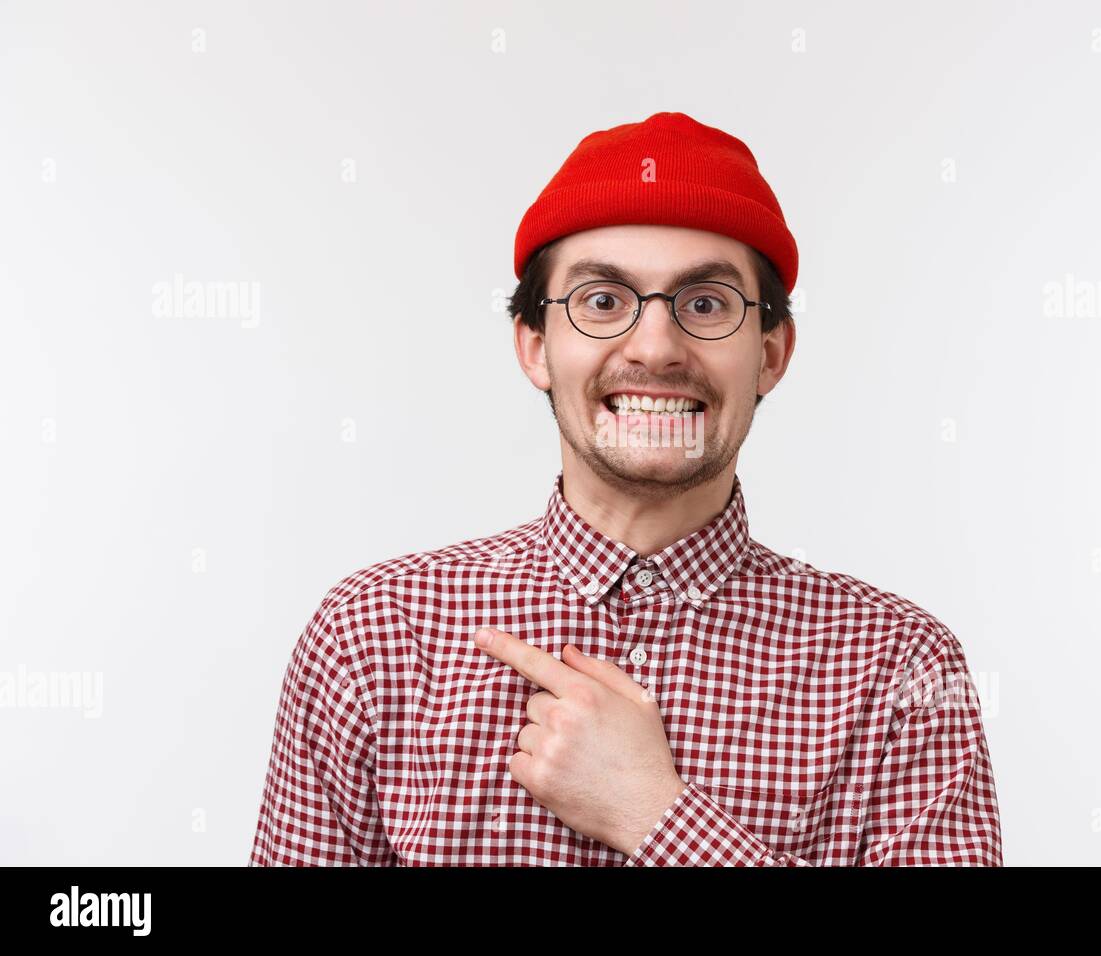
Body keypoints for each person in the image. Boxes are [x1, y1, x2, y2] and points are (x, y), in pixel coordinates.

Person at [249, 111, 1003, 866]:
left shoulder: (902, 669)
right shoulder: (371, 639)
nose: (654, 347)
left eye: (705, 304)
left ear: (770, 354)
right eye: (603, 301)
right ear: (536, 346)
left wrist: (657, 815)